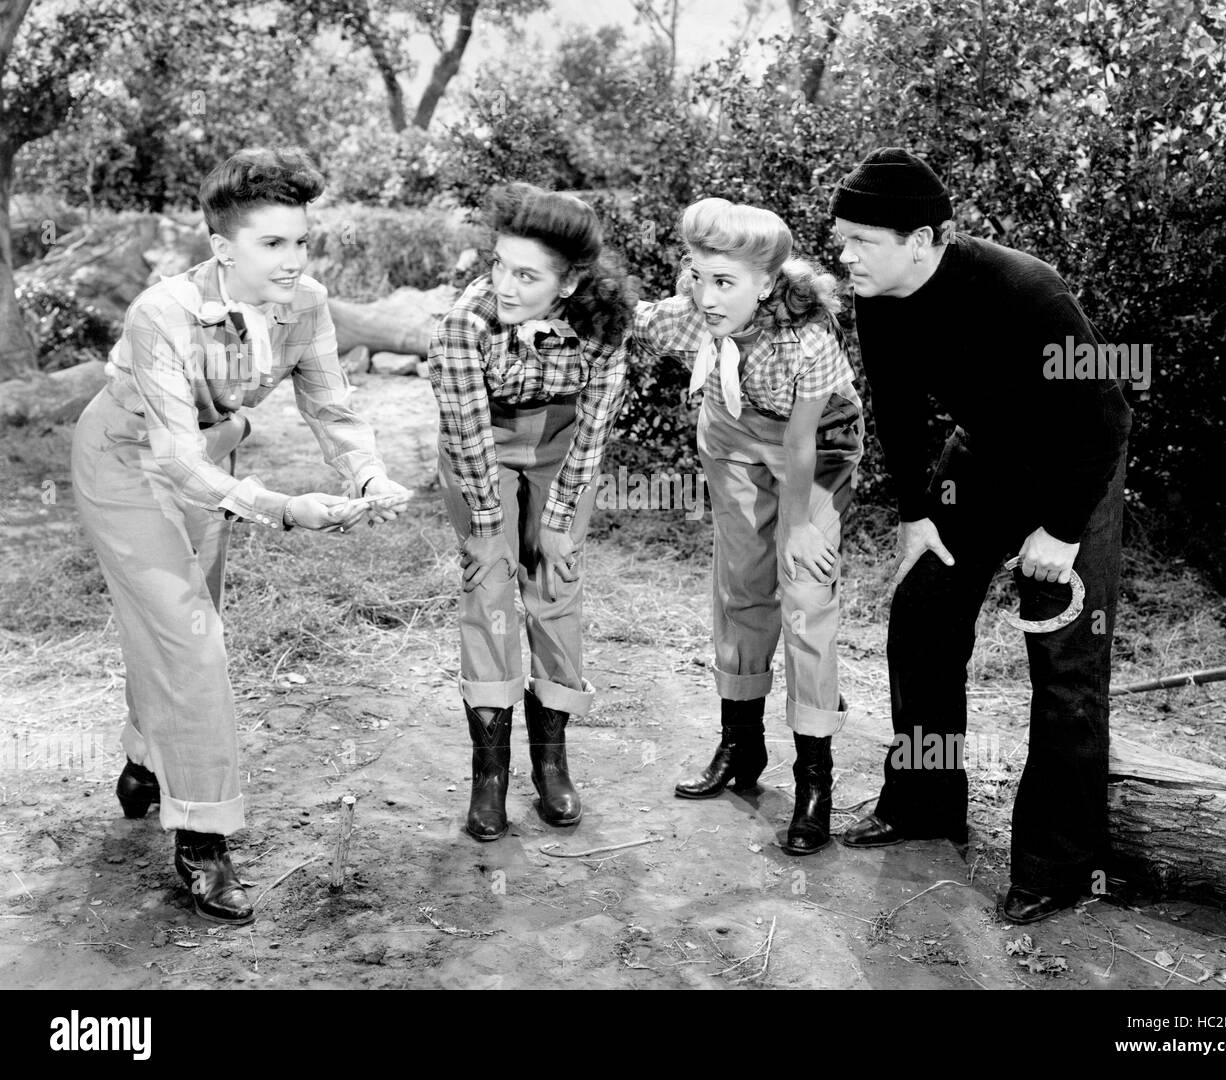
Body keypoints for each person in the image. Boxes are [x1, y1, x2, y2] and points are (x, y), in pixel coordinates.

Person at [71, 147, 411, 925]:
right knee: (192, 640)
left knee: (184, 622)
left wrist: (367, 478)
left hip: (208, 462)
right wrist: (286, 508)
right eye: (273, 244)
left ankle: (142, 762)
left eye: (301, 241)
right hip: (128, 466)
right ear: (224, 248)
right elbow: (175, 459)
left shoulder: (309, 303)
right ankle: (202, 840)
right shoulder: (162, 312)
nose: (294, 260)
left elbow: (333, 409)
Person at [831, 147, 1131, 922]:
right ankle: (925, 803)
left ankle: (1059, 866)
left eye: (862, 239)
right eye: (842, 236)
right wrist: (914, 514)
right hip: (986, 457)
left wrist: (1061, 531)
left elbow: (1107, 414)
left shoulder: (1025, 291)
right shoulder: (880, 290)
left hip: (1076, 468)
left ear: (925, 239)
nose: (844, 253)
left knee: (1064, 662)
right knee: (923, 610)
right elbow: (896, 406)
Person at [628, 198, 865, 855]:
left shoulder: (806, 339)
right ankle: (741, 748)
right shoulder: (692, 319)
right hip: (730, 434)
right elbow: (625, 319)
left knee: (807, 591)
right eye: (696, 275)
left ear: (767, 280)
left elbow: (801, 445)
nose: (705, 296)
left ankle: (815, 777)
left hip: (817, 444)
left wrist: (797, 528)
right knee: (740, 586)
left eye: (723, 282)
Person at [429, 182, 634, 841]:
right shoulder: (467, 323)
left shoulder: (602, 326)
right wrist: (494, 530)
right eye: (499, 266)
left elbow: (594, 430)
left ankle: (552, 766)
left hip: (560, 451)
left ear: (568, 283)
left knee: (555, 587)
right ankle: (489, 777)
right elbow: (466, 433)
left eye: (527, 275)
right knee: (490, 590)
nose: (506, 286)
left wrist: (556, 519)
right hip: (481, 453)